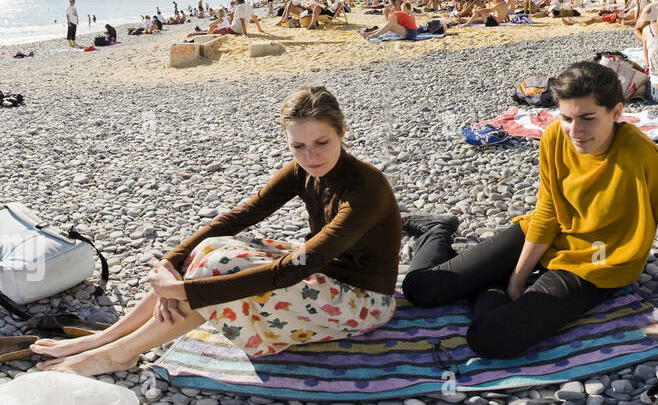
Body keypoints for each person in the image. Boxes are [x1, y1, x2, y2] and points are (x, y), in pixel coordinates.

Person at [39, 88, 400, 377]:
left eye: (321, 142)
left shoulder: (365, 189)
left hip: (361, 299)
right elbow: (238, 217)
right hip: (321, 270)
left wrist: (184, 290)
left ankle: (119, 354)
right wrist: (170, 263)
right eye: (298, 146)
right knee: (211, 248)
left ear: (342, 132)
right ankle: (108, 336)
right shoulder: (301, 171)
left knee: (213, 272)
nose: (310, 156)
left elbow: (295, 269)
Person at [403, 62, 658, 359]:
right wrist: (517, 280)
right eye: (566, 118)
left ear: (616, 112)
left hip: (597, 261)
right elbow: (548, 210)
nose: (576, 131)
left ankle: (487, 283)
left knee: (492, 338)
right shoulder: (554, 138)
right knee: (420, 290)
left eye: (588, 118)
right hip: (549, 233)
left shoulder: (641, 155)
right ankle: (438, 228)